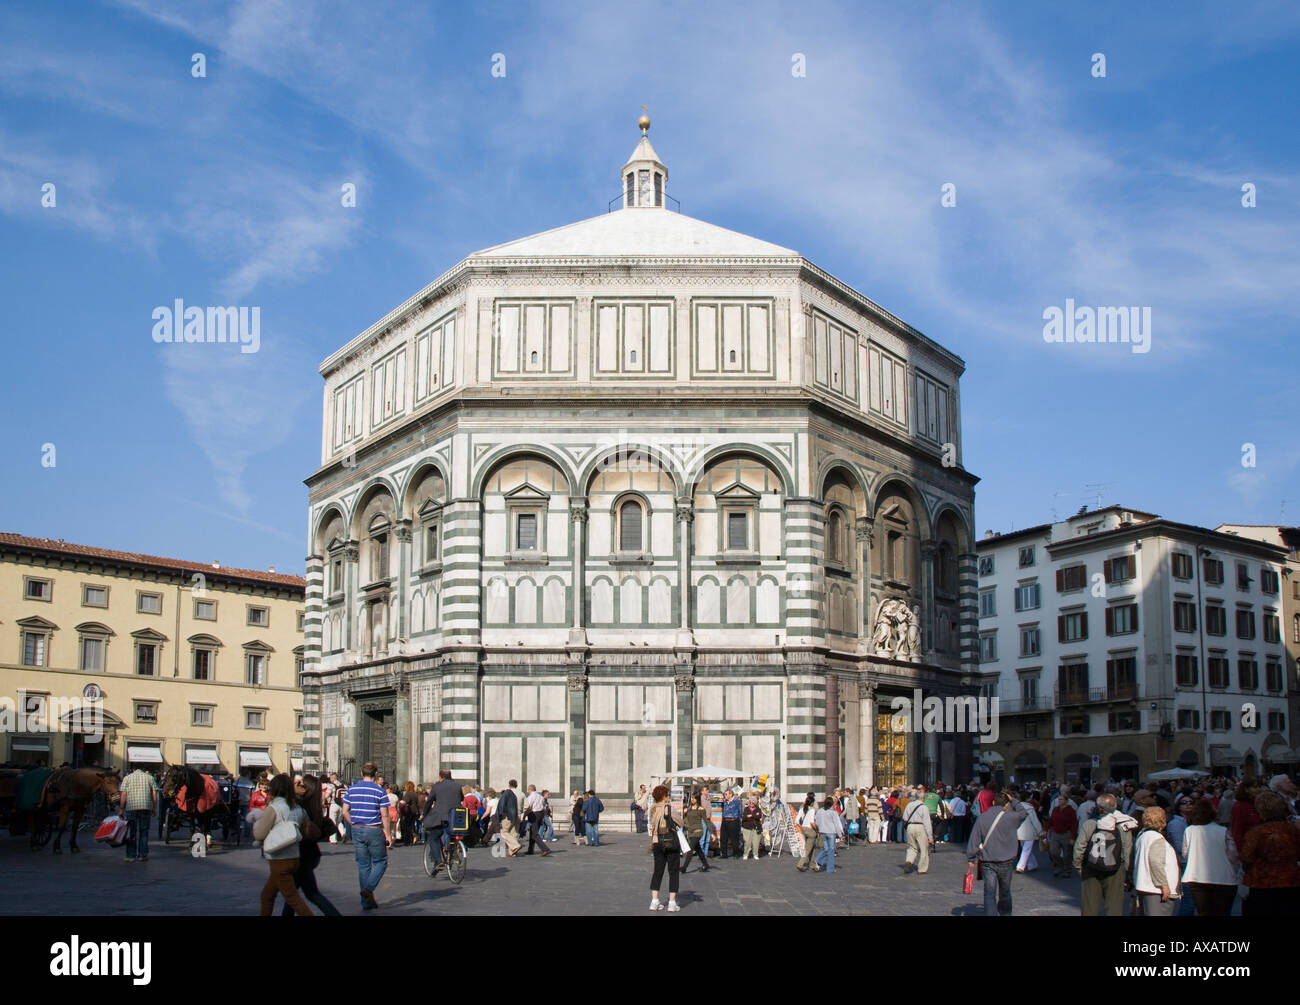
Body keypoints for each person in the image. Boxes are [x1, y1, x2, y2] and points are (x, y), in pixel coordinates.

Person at [252, 773, 313, 917]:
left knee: (293, 899)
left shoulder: (274, 808)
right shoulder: (298, 808)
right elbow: (305, 830)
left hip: (278, 859)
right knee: (267, 895)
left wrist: (257, 825)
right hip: (294, 856)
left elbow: (259, 834)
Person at [283, 774, 341, 916]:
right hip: (310, 854)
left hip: (301, 855)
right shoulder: (313, 806)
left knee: (308, 894)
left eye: (302, 783)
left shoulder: (301, 807)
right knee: (297, 894)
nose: (298, 784)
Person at [966, 789, 1028, 916]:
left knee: (989, 893)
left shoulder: (982, 818)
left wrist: (971, 858)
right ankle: (1005, 913)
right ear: (1006, 804)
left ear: (993, 802)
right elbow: (1023, 813)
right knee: (1005, 892)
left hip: (988, 861)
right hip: (1007, 860)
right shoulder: (1012, 817)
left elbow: (974, 840)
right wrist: (1013, 800)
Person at [1074, 793, 1137, 917]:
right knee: (1114, 907)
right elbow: (1126, 850)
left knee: (1089, 907)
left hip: (1091, 868)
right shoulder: (1123, 825)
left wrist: (1078, 866)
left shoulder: (1090, 824)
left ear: (1099, 808)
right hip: (1115, 869)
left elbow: (1079, 847)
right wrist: (1125, 872)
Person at [1238, 790, 1300, 915]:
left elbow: (1246, 857)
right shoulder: (1293, 829)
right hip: (1291, 881)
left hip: (1261, 883)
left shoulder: (1255, 833)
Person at [341, 762, 392, 911]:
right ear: (376, 774)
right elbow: (385, 815)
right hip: (374, 829)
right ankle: (368, 890)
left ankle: (366, 902)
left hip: (357, 829)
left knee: (363, 865)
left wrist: (353, 823)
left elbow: (345, 811)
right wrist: (388, 835)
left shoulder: (351, 790)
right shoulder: (379, 791)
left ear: (362, 773)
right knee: (381, 862)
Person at [1181, 796, 1239, 916]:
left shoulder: (1189, 831)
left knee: (1203, 912)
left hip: (1196, 877)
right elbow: (1233, 856)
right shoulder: (1223, 831)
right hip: (1224, 879)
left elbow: (1185, 854)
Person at [1132, 806, 1180, 916]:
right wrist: (1164, 885)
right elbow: (1156, 863)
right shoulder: (1156, 838)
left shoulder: (1142, 835)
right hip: (1156, 890)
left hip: (1144, 886)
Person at [648, 785, 683, 911]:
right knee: (673, 872)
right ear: (664, 796)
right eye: (668, 795)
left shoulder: (652, 809)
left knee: (658, 871)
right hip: (670, 843)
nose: (669, 797)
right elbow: (680, 822)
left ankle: (654, 901)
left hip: (657, 843)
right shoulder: (668, 808)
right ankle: (672, 903)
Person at [423, 769, 463, 861]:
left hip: (441, 817)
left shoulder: (436, 786)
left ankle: (438, 861)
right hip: (455, 817)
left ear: (440, 777)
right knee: (452, 834)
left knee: (433, 837)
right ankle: (452, 853)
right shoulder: (457, 786)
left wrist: (424, 814)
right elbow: (461, 798)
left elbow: (429, 801)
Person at [119, 764, 156, 863]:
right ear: (144, 769)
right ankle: (142, 855)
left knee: (131, 832)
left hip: (131, 808)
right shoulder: (150, 777)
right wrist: (154, 807)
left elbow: (123, 794)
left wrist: (121, 808)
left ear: (133, 769)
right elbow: (154, 794)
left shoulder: (127, 778)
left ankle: (131, 855)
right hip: (145, 807)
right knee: (144, 832)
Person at [900, 790, 933, 875]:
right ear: (923, 798)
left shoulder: (909, 805)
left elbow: (904, 817)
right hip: (920, 826)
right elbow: (927, 822)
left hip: (910, 826)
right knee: (923, 848)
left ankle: (909, 861)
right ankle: (922, 868)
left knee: (912, 847)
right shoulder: (924, 807)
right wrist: (930, 836)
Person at [1046, 792, 1078, 878]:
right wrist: (1045, 830)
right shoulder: (1055, 809)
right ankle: (1059, 866)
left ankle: (1067, 870)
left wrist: (1073, 837)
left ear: (1066, 801)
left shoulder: (1071, 811)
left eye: (1061, 799)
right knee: (1053, 852)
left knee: (1067, 854)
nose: (1059, 801)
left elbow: (1074, 824)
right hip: (1055, 833)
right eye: (1058, 799)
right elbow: (1051, 820)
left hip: (1066, 834)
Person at [814, 796, 845, 872]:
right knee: (831, 850)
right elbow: (837, 824)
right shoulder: (833, 812)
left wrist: (819, 829)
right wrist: (840, 835)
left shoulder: (820, 811)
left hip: (823, 832)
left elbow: (816, 821)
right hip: (831, 832)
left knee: (826, 849)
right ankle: (829, 868)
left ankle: (818, 861)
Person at [681, 795, 710, 873]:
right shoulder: (689, 809)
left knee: (690, 849)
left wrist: (712, 833)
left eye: (693, 798)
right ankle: (705, 864)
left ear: (697, 799)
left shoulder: (701, 809)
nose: (692, 799)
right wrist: (684, 812)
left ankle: (684, 867)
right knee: (698, 849)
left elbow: (706, 821)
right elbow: (685, 819)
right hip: (691, 831)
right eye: (691, 798)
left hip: (698, 831)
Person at [1014, 791, 1042, 872]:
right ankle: (1020, 866)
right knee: (1027, 849)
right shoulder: (1030, 808)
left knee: (1025, 848)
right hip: (1029, 831)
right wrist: (1040, 831)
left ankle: (1032, 865)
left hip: (1019, 831)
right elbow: (1035, 821)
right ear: (1027, 799)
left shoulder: (1016, 808)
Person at [524, 784, 552, 856]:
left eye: (528, 790)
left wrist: (524, 815)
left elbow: (529, 807)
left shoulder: (531, 797)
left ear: (530, 790)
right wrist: (542, 817)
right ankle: (530, 849)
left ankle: (545, 849)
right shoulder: (540, 797)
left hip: (534, 815)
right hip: (540, 814)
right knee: (532, 832)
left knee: (534, 834)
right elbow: (544, 808)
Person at [795, 793, 820, 872]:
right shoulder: (812, 810)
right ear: (812, 803)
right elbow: (812, 822)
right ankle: (800, 864)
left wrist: (800, 827)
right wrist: (817, 830)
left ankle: (812, 864)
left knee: (811, 848)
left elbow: (797, 820)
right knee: (808, 849)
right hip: (810, 830)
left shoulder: (803, 809)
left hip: (804, 829)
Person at [496, 780, 521, 856]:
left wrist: (499, 816)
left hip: (507, 816)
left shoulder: (506, 794)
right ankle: (512, 852)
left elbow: (501, 806)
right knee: (513, 833)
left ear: (509, 785)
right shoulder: (516, 795)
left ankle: (515, 845)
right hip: (516, 815)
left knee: (504, 832)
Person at [740, 792, 764, 860]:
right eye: (750, 802)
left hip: (756, 827)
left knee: (756, 842)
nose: (751, 804)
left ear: (755, 803)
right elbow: (744, 817)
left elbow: (758, 816)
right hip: (747, 827)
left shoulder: (758, 809)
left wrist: (750, 816)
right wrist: (753, 816)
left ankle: (755, 854)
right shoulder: (746, 809)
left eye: (753, 803)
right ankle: (746, 854)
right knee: (747, 842)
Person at [721, 790, 742, 858]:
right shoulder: (725, 802)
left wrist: (738, 820)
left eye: (726, 794)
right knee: (723, 838)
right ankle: (724, 854)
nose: (725, 796)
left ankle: (736, 853)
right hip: (725, 820)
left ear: (731, 794)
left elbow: (740, 811)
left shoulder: (736, 801)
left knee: (734, 838)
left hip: (733, 820)